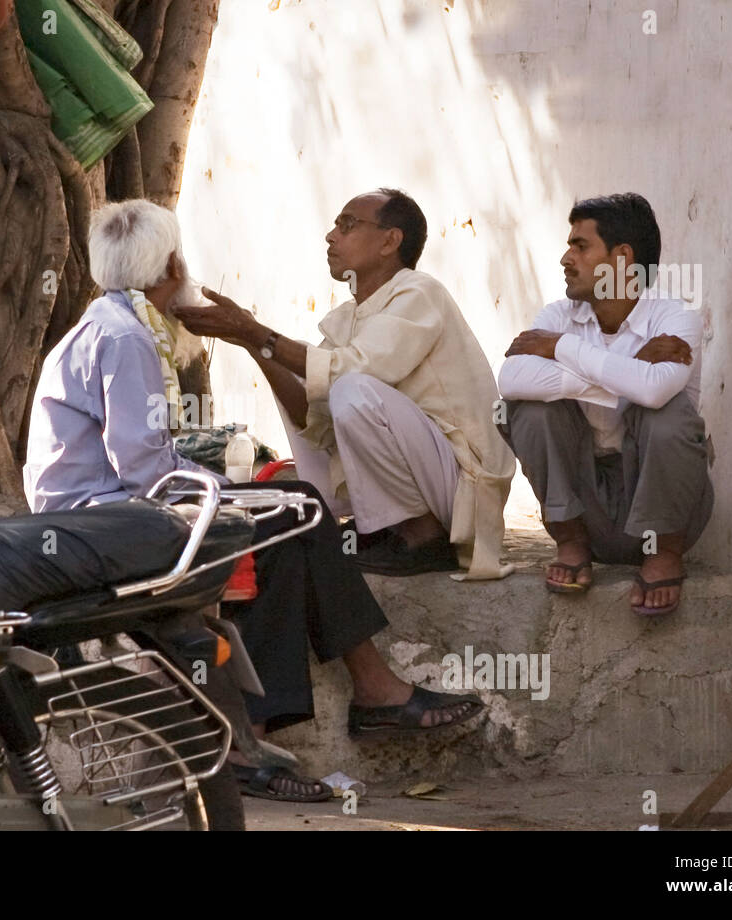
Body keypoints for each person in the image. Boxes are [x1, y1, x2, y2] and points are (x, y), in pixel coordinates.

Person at [24, 199, 482, 802]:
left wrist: (249, 364)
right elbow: (144, 472)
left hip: (99, 513)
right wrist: (226, 484)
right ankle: (369, 693)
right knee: (295, 510)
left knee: (288, 516)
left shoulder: (110, 325)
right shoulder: (126, 337)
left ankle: (254, 737)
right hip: (104, 524)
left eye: (350, 225)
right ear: (170, 267)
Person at [173, 188, 515, 579]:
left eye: (348, 225)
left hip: (462, 485)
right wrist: (254, 343)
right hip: (428, 474)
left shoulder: (420, 292)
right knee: (308, 367)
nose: (331, 236)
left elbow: (351, 372)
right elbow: (311, 411)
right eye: (335, 225)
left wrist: (257, 331)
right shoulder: (347, 318)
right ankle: (382, 527)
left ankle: (422, 535)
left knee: (351, 386)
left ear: (390, 240)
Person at [497, 193, 713, 615]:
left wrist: (561, 349)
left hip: (660, 503)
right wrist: (628, 368)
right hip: (586, 505)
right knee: (528, 408)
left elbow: (653, 393)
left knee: (667, 413)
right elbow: (511, 378)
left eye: (580, 246)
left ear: (621, 258)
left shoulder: (676, 319)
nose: (565, 258)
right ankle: (570, 540)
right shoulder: (559, 315)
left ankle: (664, 551)